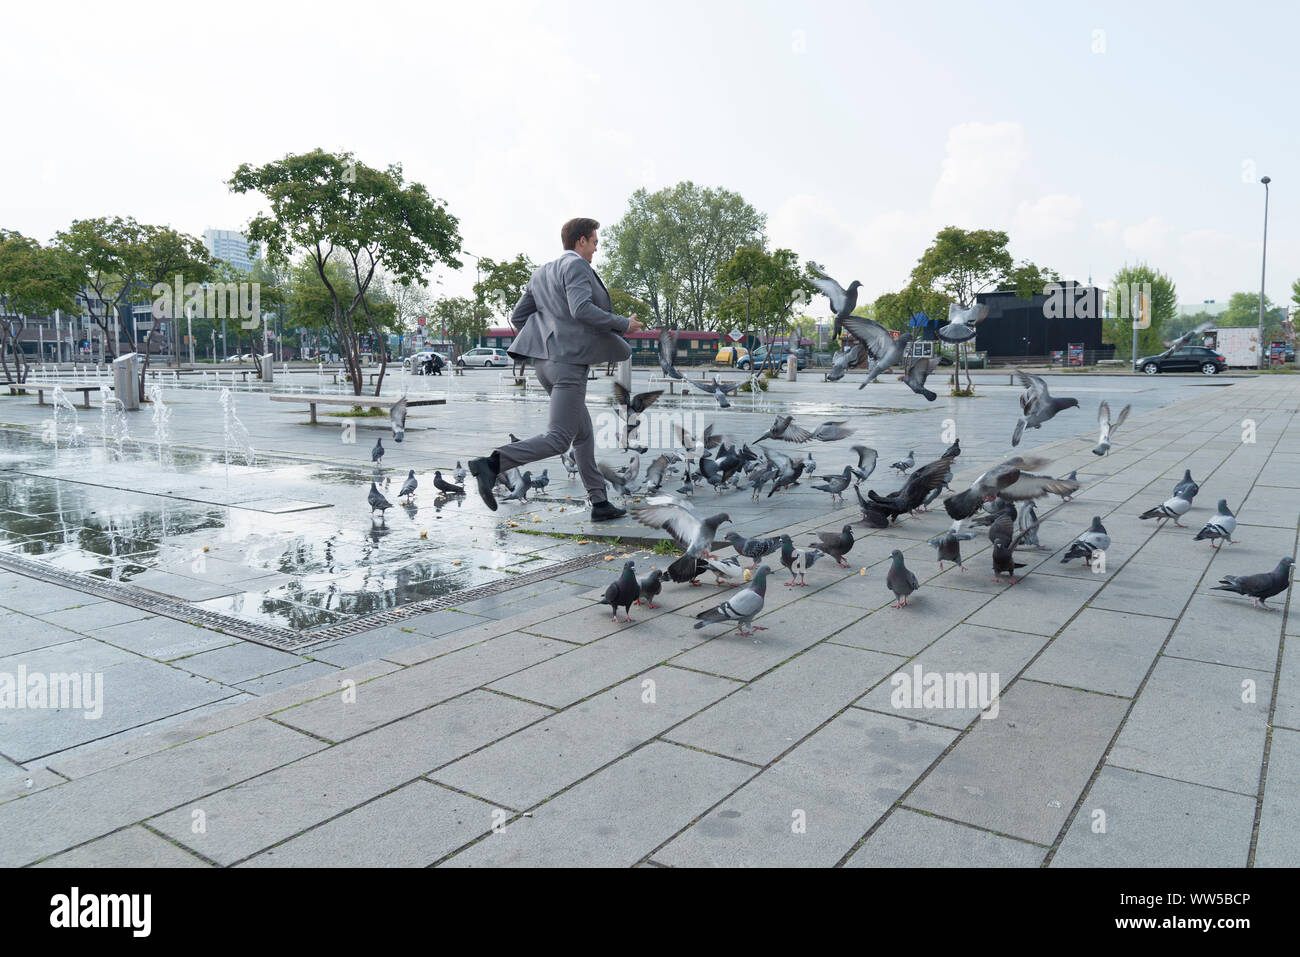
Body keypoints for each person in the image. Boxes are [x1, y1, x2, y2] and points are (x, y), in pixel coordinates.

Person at [468, 217, 643, 520]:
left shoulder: (541, 273)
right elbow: (581, 309)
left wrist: (548, 338)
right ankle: (493, 463)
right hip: (567, 366)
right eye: (594, 243)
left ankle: (599, 502)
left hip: (545, 365)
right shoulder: (575, 266)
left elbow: (518, 316)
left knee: (584, 435)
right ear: (581, 241)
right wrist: (623, 324)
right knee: (559, 438)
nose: (595, 250)